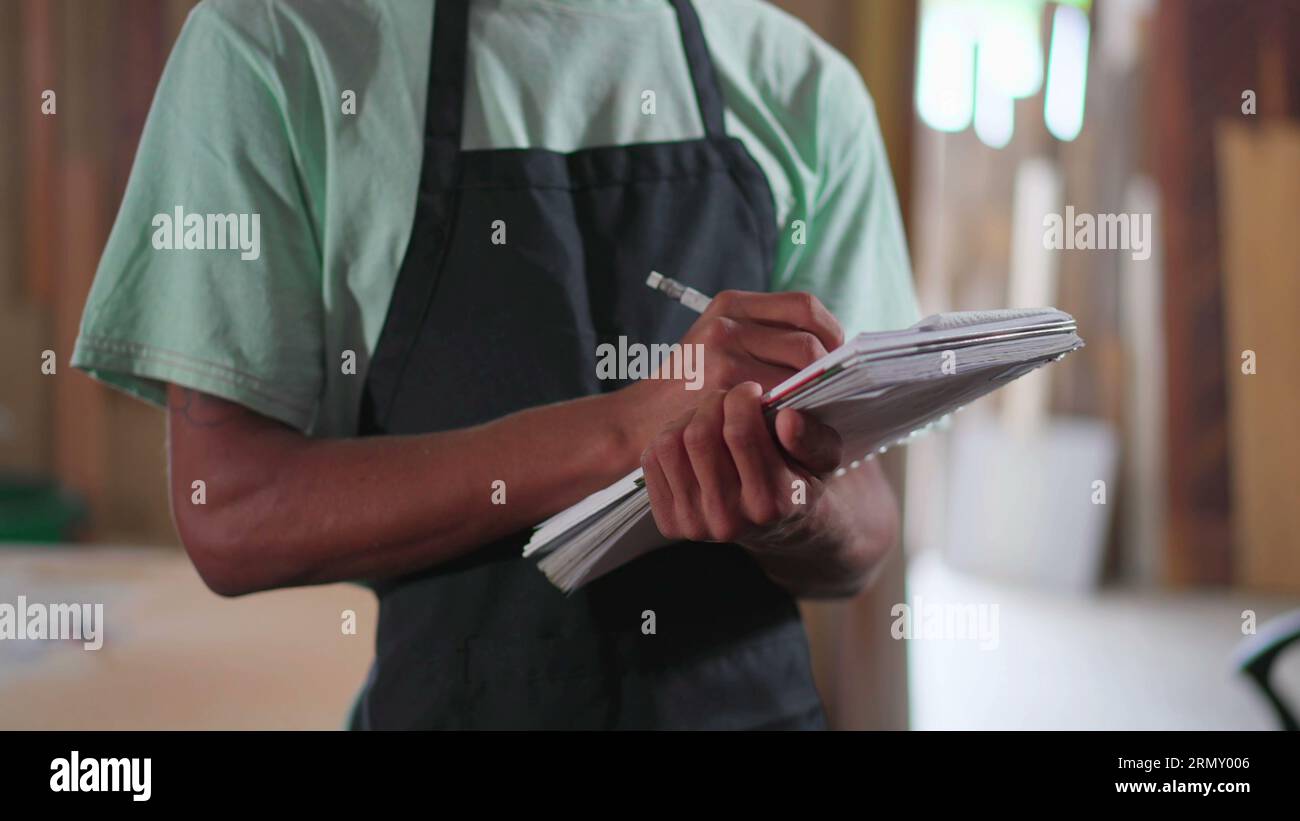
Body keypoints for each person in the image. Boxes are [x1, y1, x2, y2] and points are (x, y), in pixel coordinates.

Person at [73, 0, 918, 730]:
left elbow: (868, 527)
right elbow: (227, 511)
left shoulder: (806, 88)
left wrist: (792, 508)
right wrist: (626, 431)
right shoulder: (275, 46)